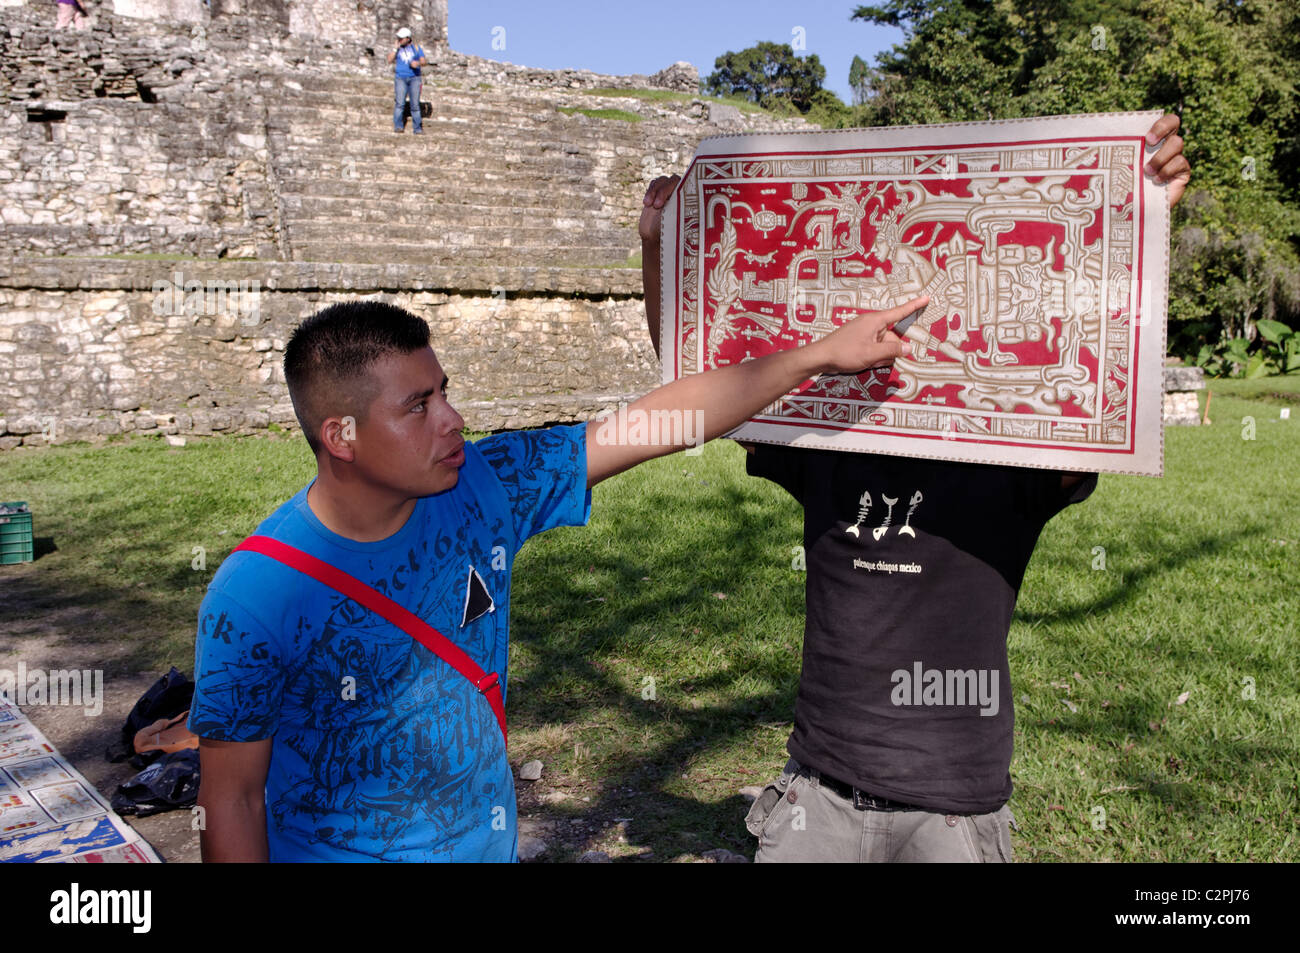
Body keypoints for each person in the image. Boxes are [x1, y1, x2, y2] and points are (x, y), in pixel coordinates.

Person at [189, 293, 923, 862]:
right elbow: (235, 801)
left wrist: (815, 357)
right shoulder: (254, 597)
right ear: (339, 437)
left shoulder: (485, 486)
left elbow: (651, 426)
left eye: (443, 390)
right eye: (419, 406)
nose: (454, 420)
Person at [639, 113, 1191, 863]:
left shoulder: (1020, 455)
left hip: (952, 807)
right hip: (821, 790)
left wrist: (1142, 214)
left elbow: (1097, 354)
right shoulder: (825, 436)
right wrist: (657, 246)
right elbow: (704, 379)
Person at [387, 27, 427, 134]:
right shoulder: (397, 48)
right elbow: (389, 60)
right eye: (398, 38)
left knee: (415, 105)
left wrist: (417, 64)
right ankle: (398, 126)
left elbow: (423, 61)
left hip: (415, 78)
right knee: (400, 103)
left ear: (408, 38)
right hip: (400, 78)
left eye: (401, 38)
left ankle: (417, 128)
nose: (399, 40)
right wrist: (395, 49)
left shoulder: (416, 48)